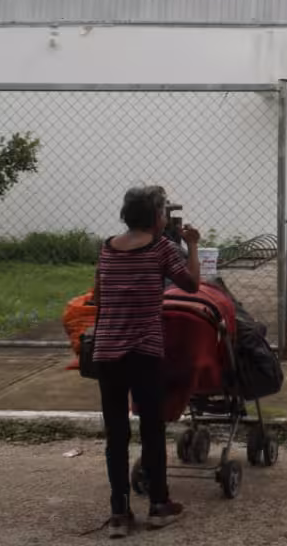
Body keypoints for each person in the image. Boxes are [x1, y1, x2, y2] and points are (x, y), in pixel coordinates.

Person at [93, 186, 201, 538]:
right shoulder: (161, 248)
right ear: (157, 217)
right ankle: (159, 505)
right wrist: (193, 246)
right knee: (151, 430)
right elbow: (191, 285)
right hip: (144, 352)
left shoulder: (107, 248)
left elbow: (98, 296)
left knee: (116, 435)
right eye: (164, 212)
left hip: (107, 354)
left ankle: (120, 513)